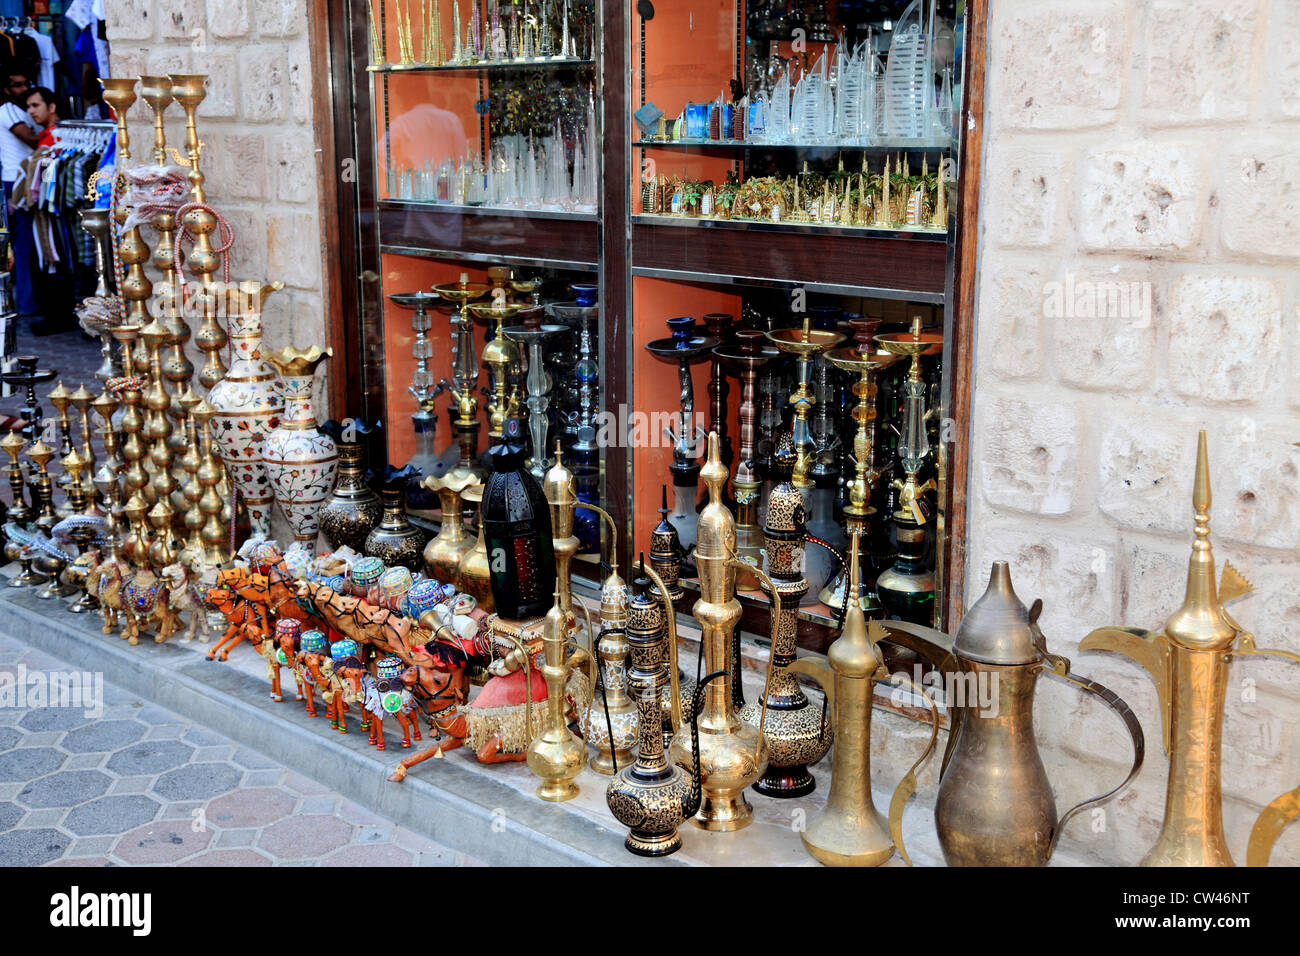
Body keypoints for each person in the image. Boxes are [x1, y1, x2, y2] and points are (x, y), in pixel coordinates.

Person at [0, 71, 39, 322]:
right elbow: (31, 139)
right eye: (17, 85)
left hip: (17, 179)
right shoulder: (9, 110)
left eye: (26, 83)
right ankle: (26, 304)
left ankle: (22, 302)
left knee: (19, 247)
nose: (23, 88)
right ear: (6, 89)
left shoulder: (16, 109)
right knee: (22, 247)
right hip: (17, 182)